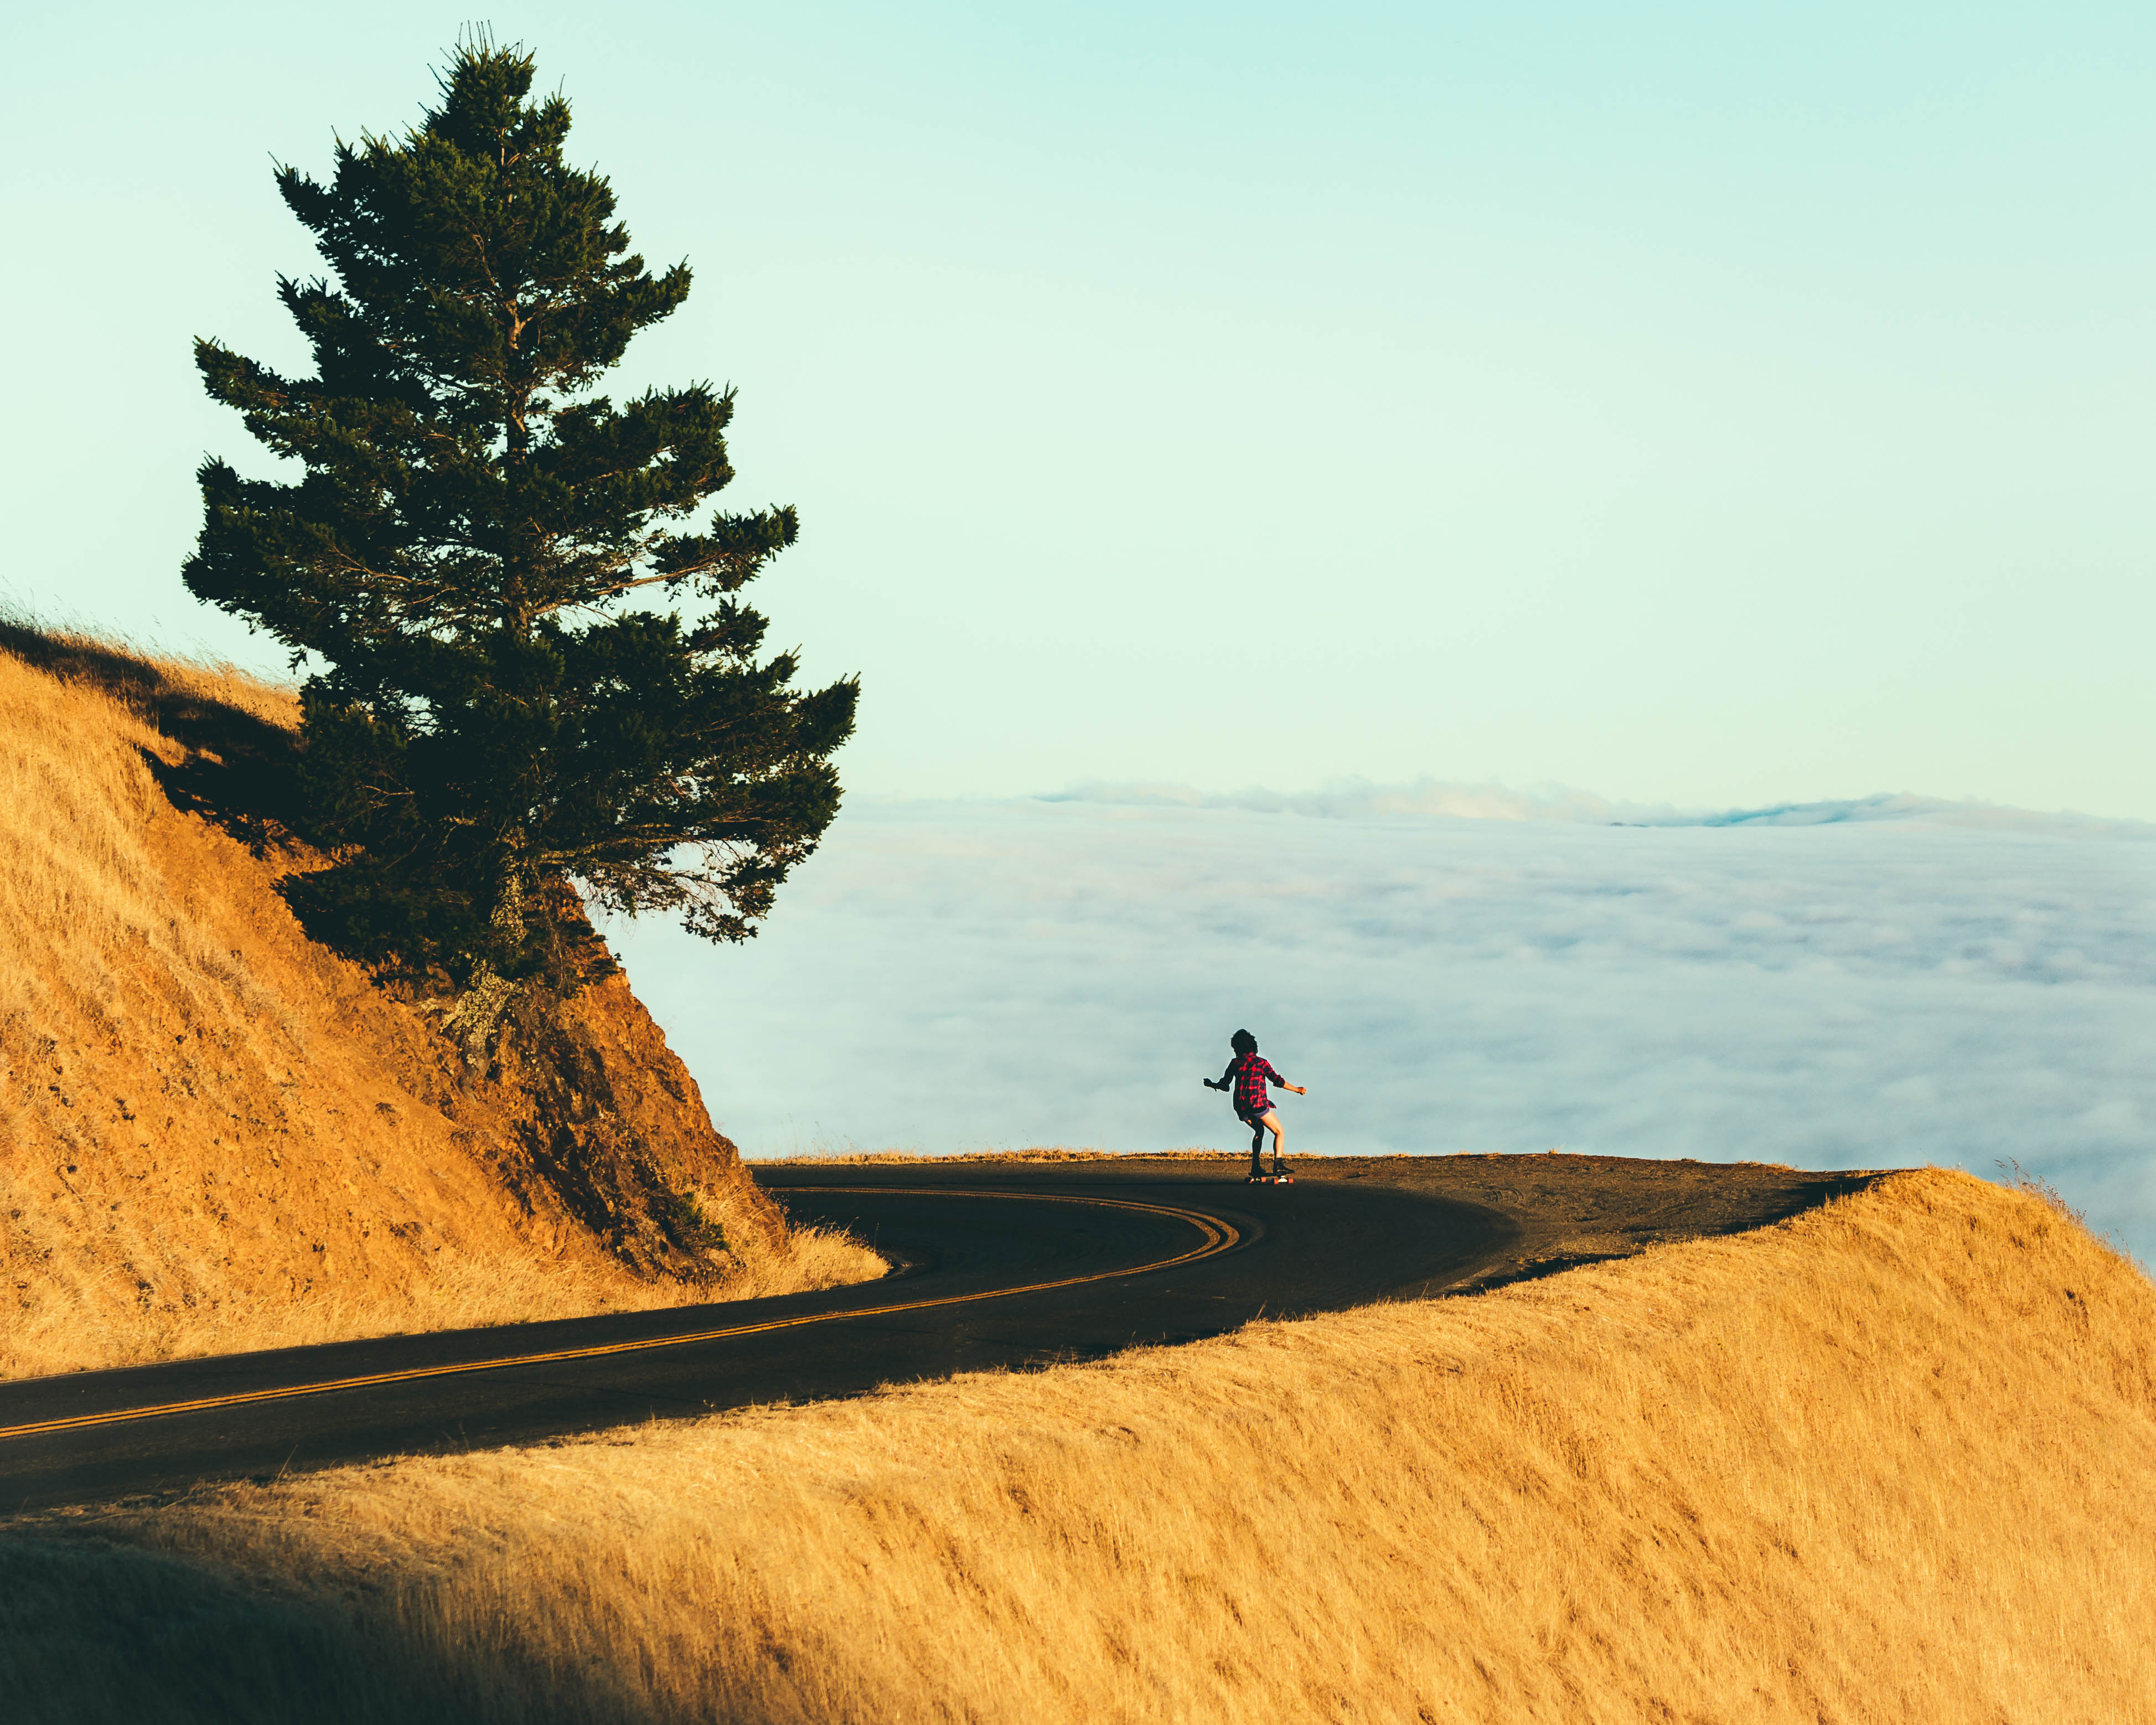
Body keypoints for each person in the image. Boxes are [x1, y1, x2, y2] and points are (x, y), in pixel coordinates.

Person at [1203, 1028, 1305, 1179]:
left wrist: (1212, 1085)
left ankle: (1256, 1167)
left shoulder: (1235, 1063)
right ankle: (1278, 1166)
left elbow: (1225, 1085)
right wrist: (1297, 1090)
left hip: (1241, 1107)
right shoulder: (1261, 1063)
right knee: (1279, 1132)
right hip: (1257, 1105)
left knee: (1259, 1131)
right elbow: (1277, 1081)